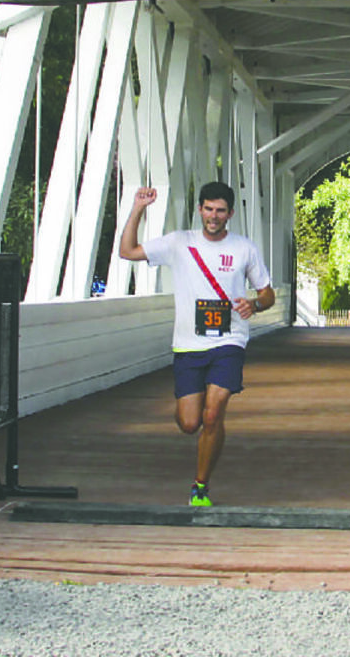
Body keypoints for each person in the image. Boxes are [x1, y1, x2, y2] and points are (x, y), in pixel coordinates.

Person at [119, 181, 274, 507]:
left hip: (229, 341)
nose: (213, 216)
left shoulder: (244, 248)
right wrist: (137, 208)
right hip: (188, 345)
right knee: (190, 423)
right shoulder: (179, 242)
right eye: (208, 209)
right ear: (200, 209)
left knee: (213, 414)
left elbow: (267, 293)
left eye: (220, 210)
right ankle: (200, 438)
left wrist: (254, 305)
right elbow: (127, 251)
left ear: (230, 213)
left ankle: (200, 486)